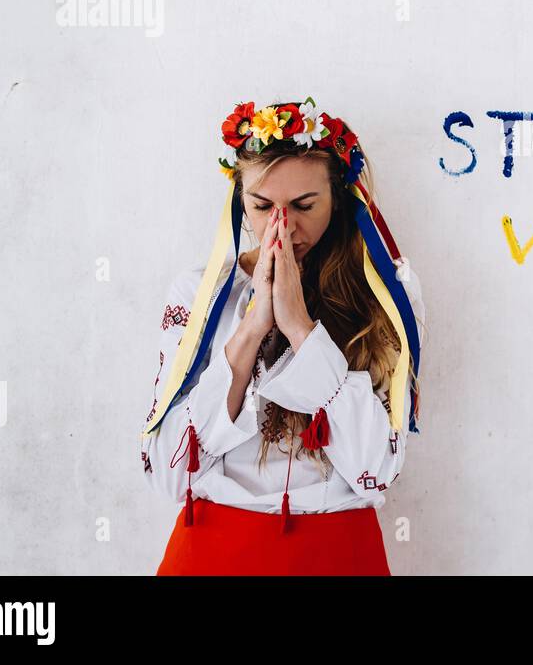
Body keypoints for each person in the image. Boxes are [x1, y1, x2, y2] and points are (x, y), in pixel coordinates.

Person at [141, 97, 425, 575]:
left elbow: (377, 473)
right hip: (212, 554)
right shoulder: (200, 293)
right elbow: (170, 475)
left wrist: (300, 330)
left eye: (304, 205)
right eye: (261, 205)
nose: (282, 226)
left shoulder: (388, 295)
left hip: (337, 554)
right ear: (239, 200)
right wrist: (252, 329)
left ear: (338, 199)